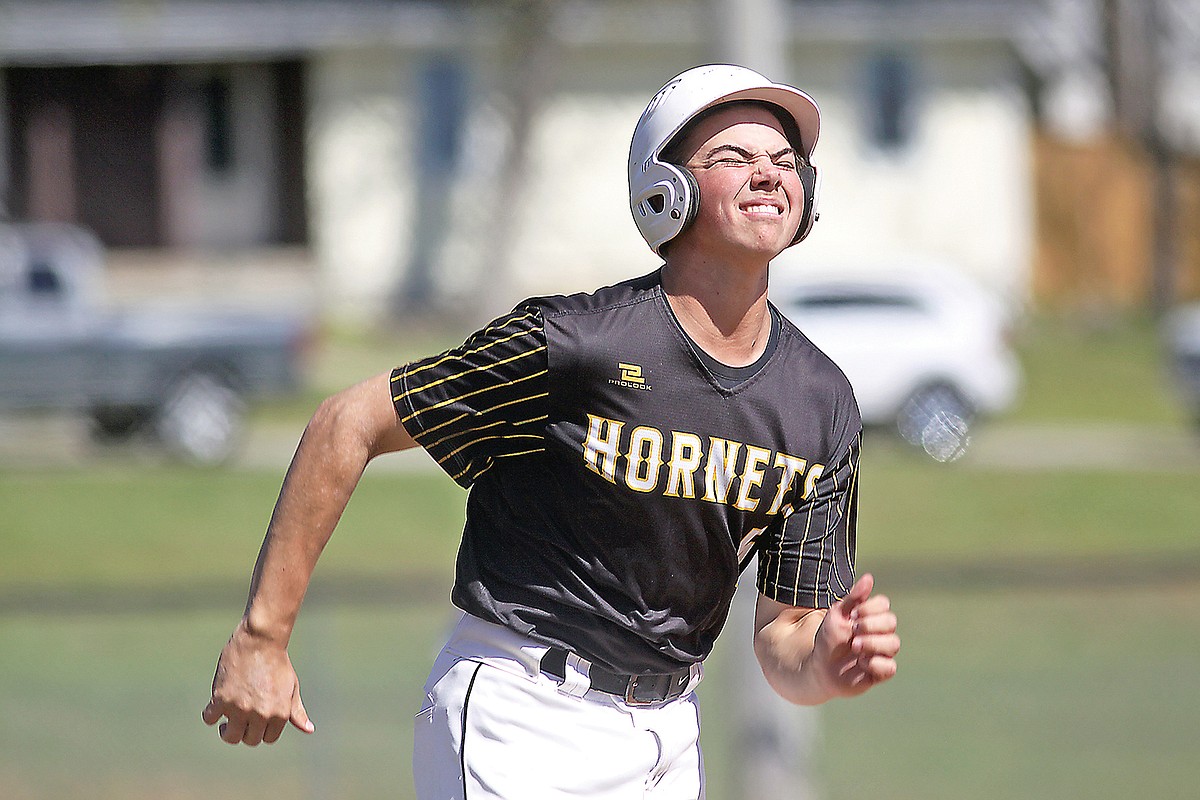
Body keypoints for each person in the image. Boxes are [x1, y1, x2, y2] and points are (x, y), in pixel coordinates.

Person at [203, 63, 900, 798]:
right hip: (524, 717)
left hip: (668, 737)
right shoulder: (574, 344)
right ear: (667, 190)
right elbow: (349, 421)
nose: (768, 175)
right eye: (733, 158)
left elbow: (786, 632)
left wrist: (827, 654)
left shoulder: (818, 401)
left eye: (786, 163)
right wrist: (262, 636)